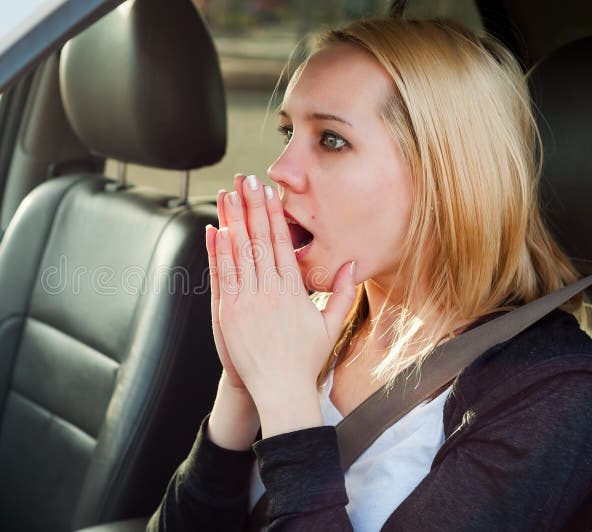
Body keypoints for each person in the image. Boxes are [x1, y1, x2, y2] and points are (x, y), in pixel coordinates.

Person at [147, 17, 592, 531]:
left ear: (444, 176)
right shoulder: (311, 326)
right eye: (289, 131)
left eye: (331, 139)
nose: (280, 168)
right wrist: (242, 389)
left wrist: (288, 398)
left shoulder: (554, 394)